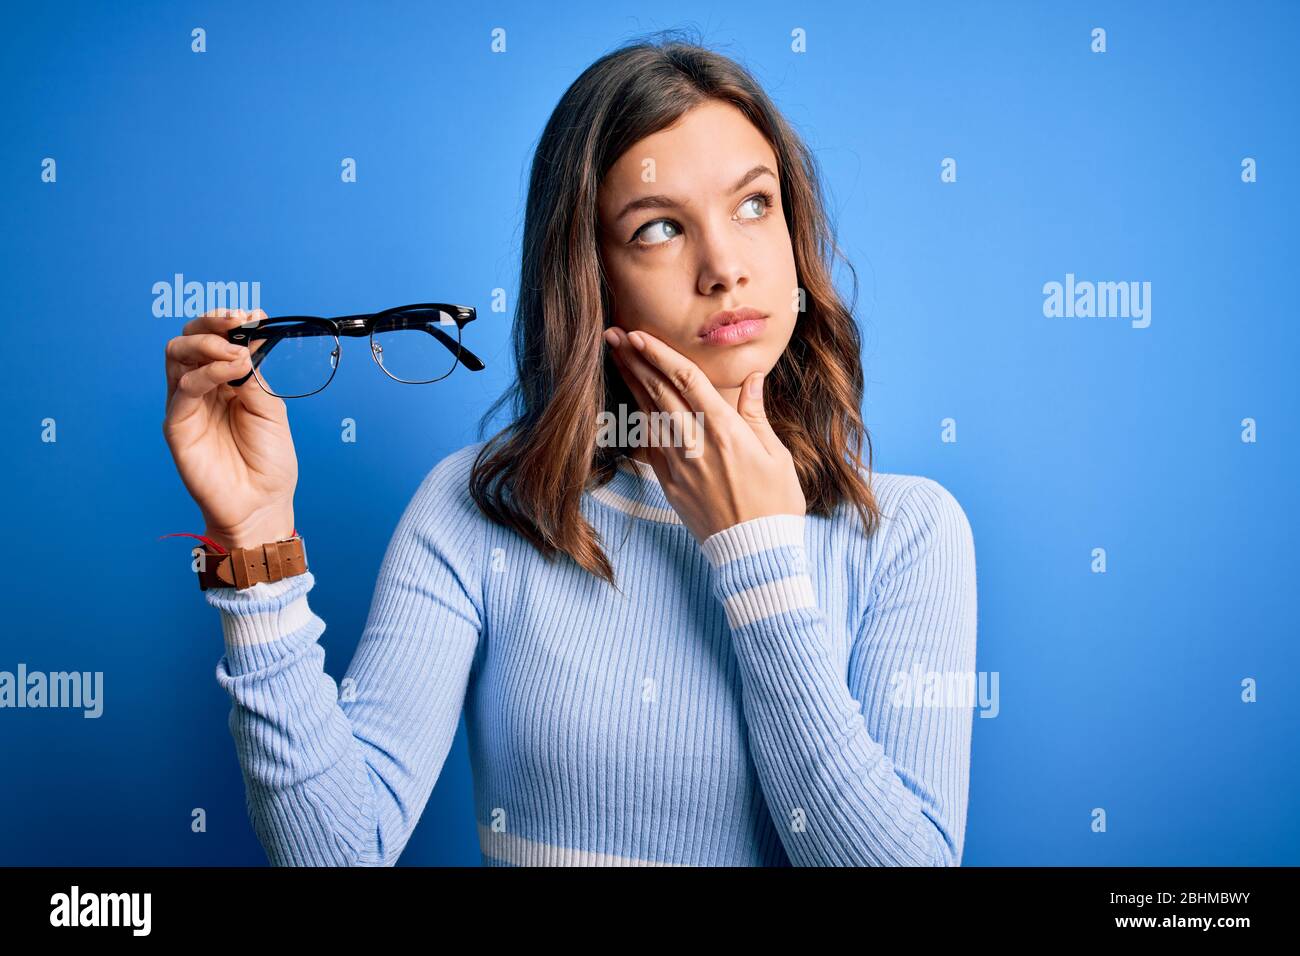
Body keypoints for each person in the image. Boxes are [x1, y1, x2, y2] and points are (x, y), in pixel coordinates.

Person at [161, 34, 978, 867]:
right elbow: (339, 852)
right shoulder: (480, 508)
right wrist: (255, 541)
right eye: (659, 227)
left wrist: (758, 553)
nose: (725, 265)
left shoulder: (908, 532)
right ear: (590, 276)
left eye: (753, 204)